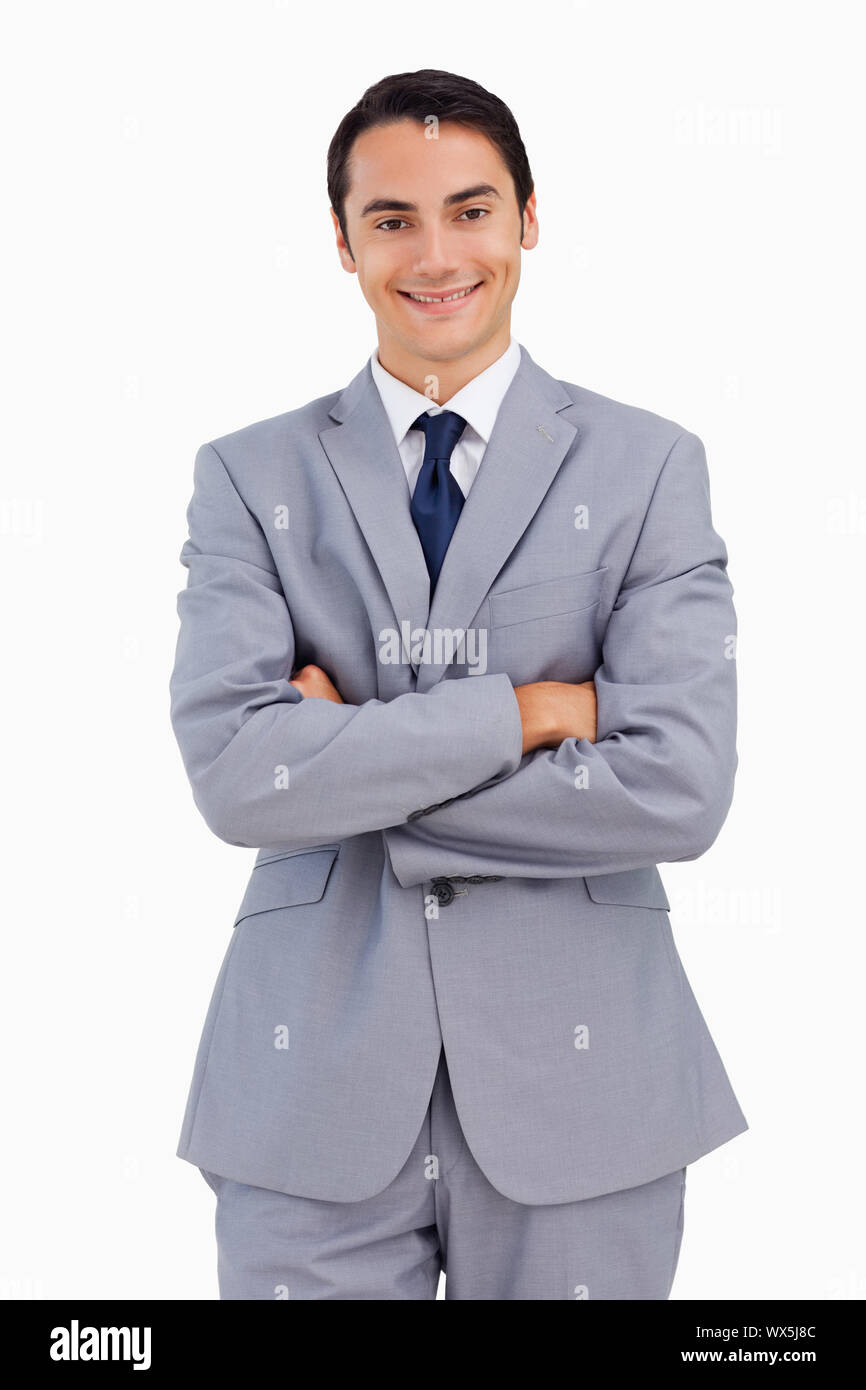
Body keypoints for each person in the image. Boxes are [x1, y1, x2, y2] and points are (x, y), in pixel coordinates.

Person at [169, 68, 748, 1301]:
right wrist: (527, 713)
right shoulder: (246, 476)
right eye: (391, 219)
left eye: (470, 210)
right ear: (342, 241)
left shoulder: (646, 467)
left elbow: (677, 790)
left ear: (528, 219)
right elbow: (235, 775)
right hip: (308, 1096)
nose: (435, 254)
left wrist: (350, 760)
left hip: (586, 1098)